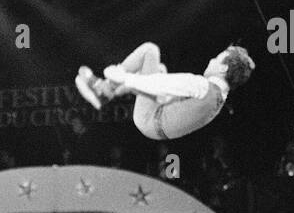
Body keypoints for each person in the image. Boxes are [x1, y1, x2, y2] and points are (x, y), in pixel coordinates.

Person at [74, 42, 255, 141]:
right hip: (159, 127)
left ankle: (103, 89)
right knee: (158, 69)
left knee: (150, 52)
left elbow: (159, 84)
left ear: (223, 69)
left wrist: (120, 75)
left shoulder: (202, 86)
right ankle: (108, 92)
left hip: (151, 119)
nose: (211, 59)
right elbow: (172, 100)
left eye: (217, 59)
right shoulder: (220, 98)